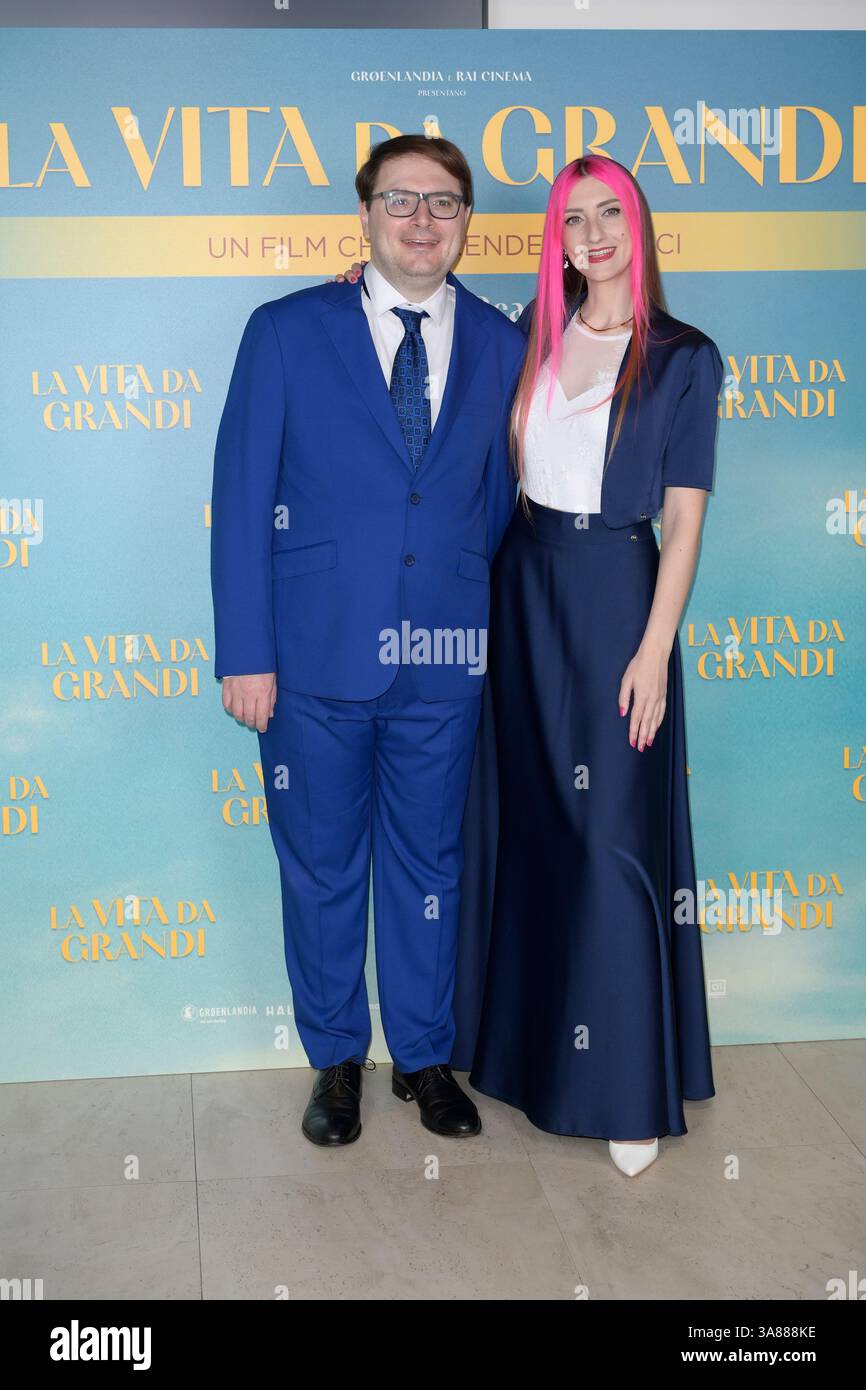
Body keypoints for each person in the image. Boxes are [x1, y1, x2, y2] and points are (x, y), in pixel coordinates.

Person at [338, 152, 722, 1176]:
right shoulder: (526, 339)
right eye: (571, 220)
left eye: (609, 215)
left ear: (637, 226)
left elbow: (680, 525)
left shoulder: (684, 356)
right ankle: (511, 1053)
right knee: (521, 826)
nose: (591, 234)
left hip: (612, 596)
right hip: (515, 590)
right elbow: (423, 322)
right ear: (554, 237)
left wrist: (651, 646)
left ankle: (623, 1087)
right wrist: (352, 293)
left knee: (607, 841)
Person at [210, 135, 525, 1146]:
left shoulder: (500, 340)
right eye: (401, 201)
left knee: (429, 867)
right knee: (321, 866)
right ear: (365, 213)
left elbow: (487, 507)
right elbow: (241, 495)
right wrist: (245, 651)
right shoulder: (284, 331)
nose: (422, 221)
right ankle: (337, 1057)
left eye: (442, 204)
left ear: (466, 221)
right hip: (308, 661)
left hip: (444, 661)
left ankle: (424, 1058)